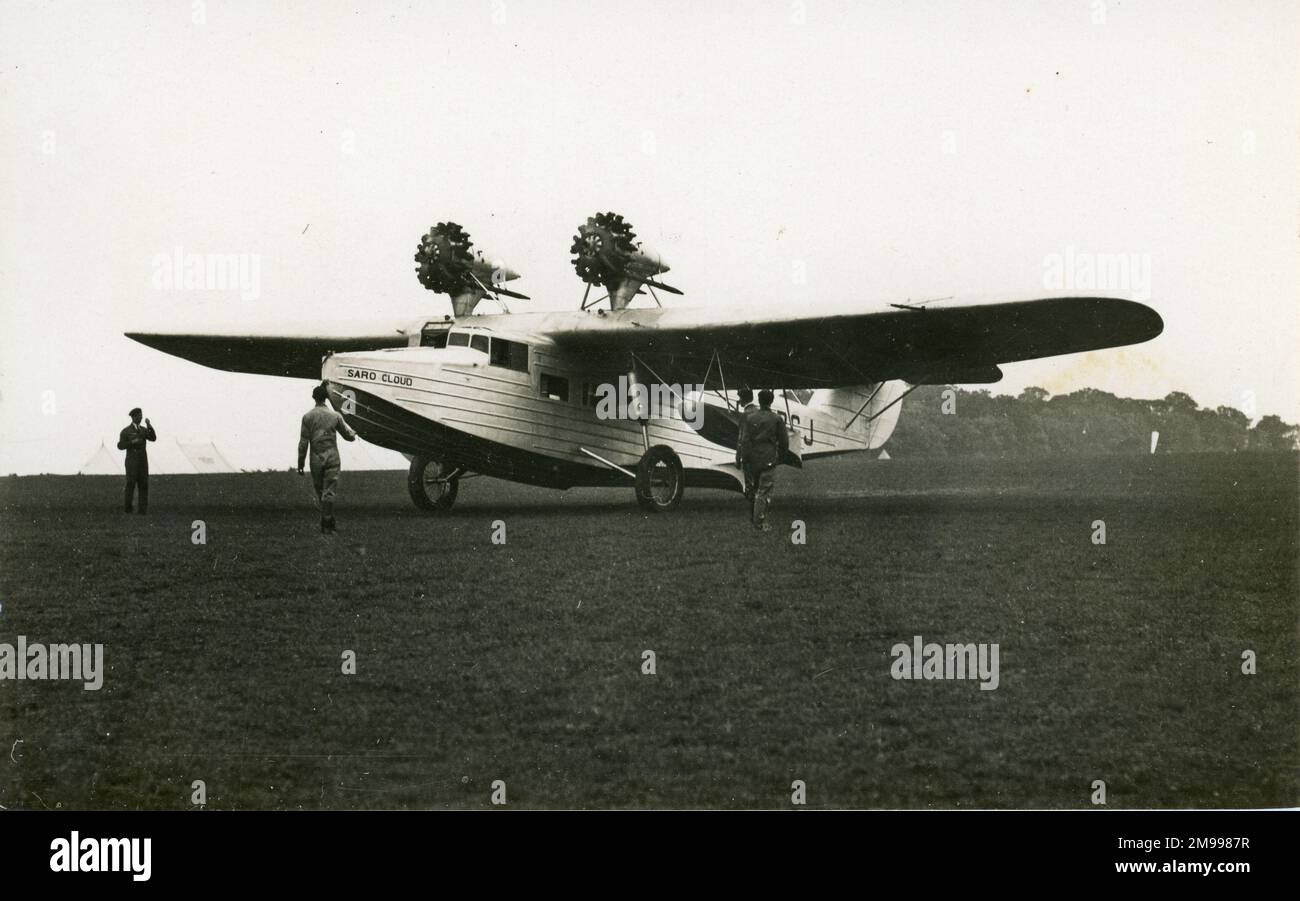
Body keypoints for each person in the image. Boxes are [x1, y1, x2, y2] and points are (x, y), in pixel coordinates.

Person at [298, 383, 357, 534]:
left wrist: (300, 462)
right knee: (329, 491)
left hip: (316, 458)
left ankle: (327, 522)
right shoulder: (335, 416)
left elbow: (303, 442)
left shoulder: (307, 417)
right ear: (326, 398)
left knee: (320, 492)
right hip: (332, 456)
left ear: (313, 398)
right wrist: (354, 433)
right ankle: (328, 522)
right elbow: (348, 436)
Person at [737, 389, 788, 531]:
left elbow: (745, 440)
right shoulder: (777, 419)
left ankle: (754, 518)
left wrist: (744, 459)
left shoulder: (749, 418)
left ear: (759, 401)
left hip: (752, 460)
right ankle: (759, 523)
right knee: (764, 491)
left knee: (753, 491)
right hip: (768, 460)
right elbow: (784, 443)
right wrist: (780, 458)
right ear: (771, 402)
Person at [117, 407, 156, 514]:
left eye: (141, 415)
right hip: (131, 462)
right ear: (133, 417)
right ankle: (128, 509)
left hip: (143, 462)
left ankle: (142, 511)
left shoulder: (143, 430)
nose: (141, 417)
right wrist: (132, 442)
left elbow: (153, 438)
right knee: (131, 484)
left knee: (143, 484)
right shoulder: (126, 431)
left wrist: (149, 425)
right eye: (139, 415)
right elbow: (120, 446)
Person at [734, 387, 758, 501]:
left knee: (750, 483)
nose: (739, 401)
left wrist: (738, 458)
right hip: (761, 452)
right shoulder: (759, 412)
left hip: (749, 453)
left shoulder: (745, 415)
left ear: (744, 399)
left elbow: (741, 438)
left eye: (740, 398)